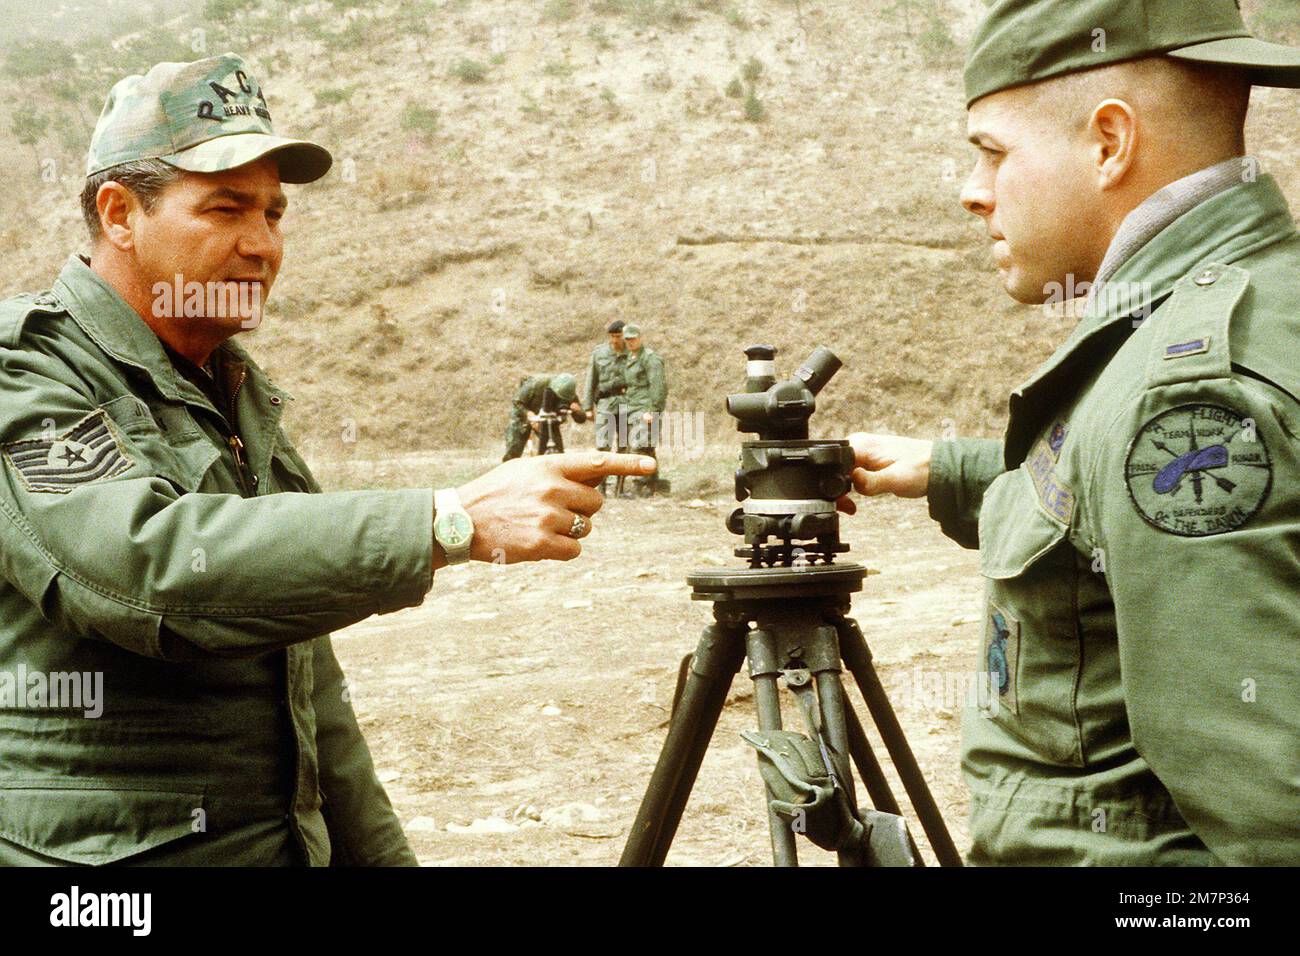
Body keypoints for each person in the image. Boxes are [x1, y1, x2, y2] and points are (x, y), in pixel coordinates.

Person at [0, 54, 654, 867]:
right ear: (120, 212)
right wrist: (449, 522)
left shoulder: (228, 384)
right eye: (226, 208)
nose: (261, 245)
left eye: (274, 214)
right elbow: (142, 567)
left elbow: (307, 688)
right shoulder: (25, 368)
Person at [849, 0, 1299, 865]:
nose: (970, 190)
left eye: (992, 151)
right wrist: (951, 470)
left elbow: (1272, 819)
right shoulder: (1238, 306)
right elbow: (1111, 517)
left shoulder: (1185, 394)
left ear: (1108, 143)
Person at [583, 319, 630, 495]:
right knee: (603, 445)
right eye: (612, 336)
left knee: (624, 446)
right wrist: (587, 406)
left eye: (619, 336)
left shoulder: (632, 353)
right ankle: (600, 487)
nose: (615, 340)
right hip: (605, 403)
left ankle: (620, 488)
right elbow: (590, 379)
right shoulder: (599, 354)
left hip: (626, 402)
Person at [622, 324, 668, 497]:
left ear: (640, 338)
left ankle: (641, 485)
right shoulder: (630, 358)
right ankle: (653, 484)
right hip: (633, 408)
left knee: (640, 446)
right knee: (646, 447)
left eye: (633, 338)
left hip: (644, 409)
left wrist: (653, 410)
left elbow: (658, 387)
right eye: (627, 339)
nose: (630, 342)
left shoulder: (650, 359)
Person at [501, 372, 587, 460]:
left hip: (547, 418)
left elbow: (581, 419)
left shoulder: (568, 393)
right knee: (513, 451)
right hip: (523, 413)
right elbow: (517, 401)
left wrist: (577, 411)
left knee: (557, 453)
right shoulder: (537, 383)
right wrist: (529, 414)